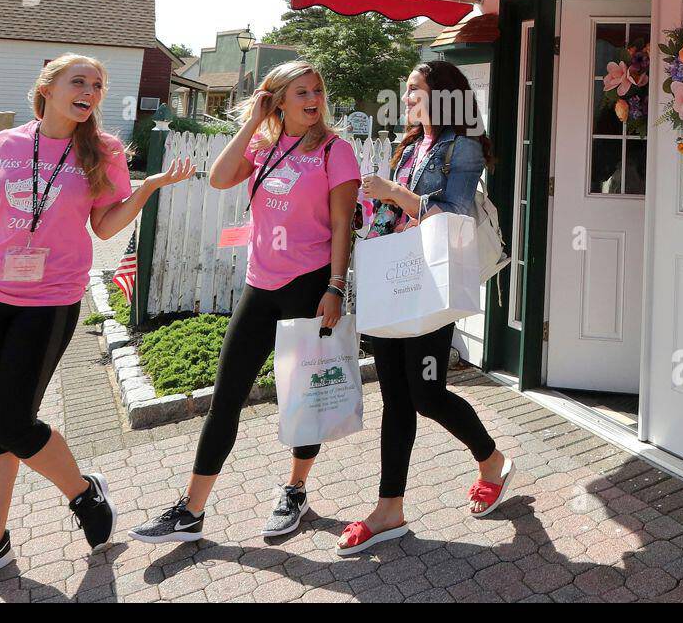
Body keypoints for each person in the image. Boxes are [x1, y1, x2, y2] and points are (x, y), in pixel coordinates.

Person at [0, 54, 193, 602]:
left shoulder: (104, 151)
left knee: (10, 420)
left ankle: (84, 492)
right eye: (79, 81)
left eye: (97, 85)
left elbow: (104, 224)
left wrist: (148, 188)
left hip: (48, 301)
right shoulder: (3, 144)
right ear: (46, 88)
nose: (90, 90)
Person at [129, 61, 360, 544]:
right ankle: (191, 510)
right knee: (226, 397)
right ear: (276, 99)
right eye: (301, 92)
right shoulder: (263, 144)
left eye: (317, 89)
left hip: (308, 285)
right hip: (260, 286)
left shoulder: (335, 151)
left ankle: (296, 489)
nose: (313, 99)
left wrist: (335, 286)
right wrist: (253, 121)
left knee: (303, 397)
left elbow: (344, 225)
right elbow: (218, 178)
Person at [336, 61, 514, 556]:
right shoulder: (410, 146)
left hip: (430, 283)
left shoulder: (465, 147)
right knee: (396, 397)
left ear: (445, 95)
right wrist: (372, 206)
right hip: (393, 280)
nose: (407, 96)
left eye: (415, 89)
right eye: (408, 89)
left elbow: (452, 216)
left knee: (428, 393)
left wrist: (394, 193)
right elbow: (395, 217)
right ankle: (389, 507)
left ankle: (492, 461)